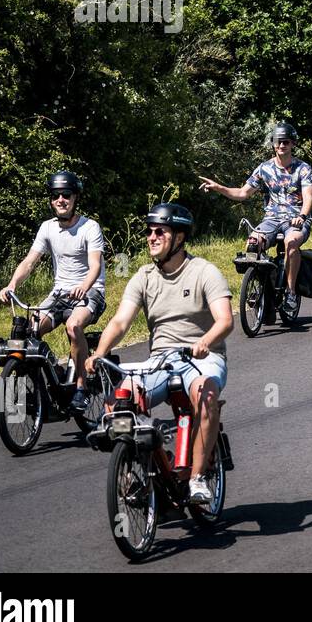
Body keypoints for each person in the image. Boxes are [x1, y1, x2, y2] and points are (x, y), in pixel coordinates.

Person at [86, 203, 232, 504]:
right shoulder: (143, 276)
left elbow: (225, 320)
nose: (152, 237)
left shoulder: (204, 271)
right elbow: (120, 321)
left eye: (160, 232)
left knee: (205, 399)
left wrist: (204, 341)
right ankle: (134, 476)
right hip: (161, 361)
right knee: (118, 403)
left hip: (201, 357)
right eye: (149, 231)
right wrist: (99, 353)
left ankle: (197, 478)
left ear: (179, 237)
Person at [0, 171, 106, 413]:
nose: (61, 200)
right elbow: (29, 262)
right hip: (59, 295)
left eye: (66, 195)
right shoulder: (47, 228)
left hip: (90, 293)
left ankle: (81, 387)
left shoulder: (90, 227)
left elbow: (95, 266)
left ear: (75, 197)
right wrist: (12, 284)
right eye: (56, 195)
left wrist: (84, 286)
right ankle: (55, 373)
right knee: (30, 330)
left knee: (74, 326)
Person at [199, 121, 312, 317]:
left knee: (291, 241)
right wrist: (218, 187)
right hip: (271, 219)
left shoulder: (302, 169)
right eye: (278, 142)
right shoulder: (264, 169)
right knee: (254, 241)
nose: (281, 146)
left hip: (296, 219)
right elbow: (243, 193)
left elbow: (309, 197)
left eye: (285, 142)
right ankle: (263, 286)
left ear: (293, 144)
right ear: (272, 143)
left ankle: (291, 293)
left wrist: (302, 216)